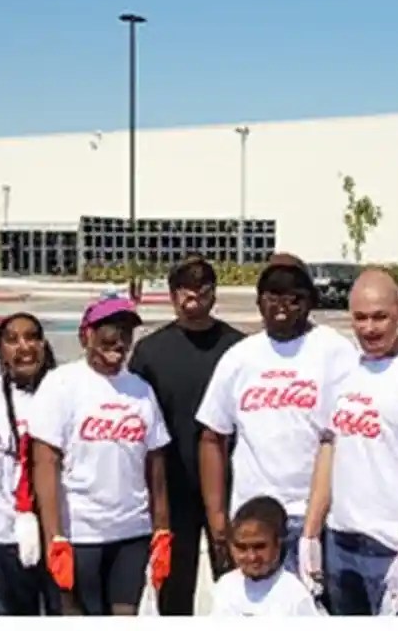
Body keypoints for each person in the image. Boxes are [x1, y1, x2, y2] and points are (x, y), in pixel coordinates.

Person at [301, 268, 398, 615]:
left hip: (396, 550)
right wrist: (311, 533)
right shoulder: (343, 372)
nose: (369, 328)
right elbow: (330, 447)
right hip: (341, 544)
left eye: (379, 317)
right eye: (360, 318)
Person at [196, 253, 356, 578]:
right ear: (259, 302)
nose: (282, 305)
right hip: (253, 521)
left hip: (318, 518)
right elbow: (212, 437)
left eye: (293, 297)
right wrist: (217, 521)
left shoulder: (336, 352)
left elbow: (347, 436)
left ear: (310, 301)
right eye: (272, 295)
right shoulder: (240, 357)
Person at [30, 296, 172, 616]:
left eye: (126, 330)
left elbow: (156, 465)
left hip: (132, 532)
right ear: (86, 335)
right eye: (109, 328)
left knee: (126, 615)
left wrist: (162, 530)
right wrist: (55, 537)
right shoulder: (62, 384)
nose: (119, 338)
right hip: (81, 533)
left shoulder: (140, 389)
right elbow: (45, 463)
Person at [128, 256, 245, 613]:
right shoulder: (149, 353)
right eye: (184, 291)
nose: (193, 300)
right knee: (175, 587)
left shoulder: (238, 349)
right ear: (171, 295)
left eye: (202, 291)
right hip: (172, 487)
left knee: (236, 581)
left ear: (214, 294)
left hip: (230, 485)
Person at [0, 312, 63, 615]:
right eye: (12, 340)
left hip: (62, 527)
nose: (24, 346)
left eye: (33, 337)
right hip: (4, 530)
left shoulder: (64, 389)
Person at [208, 495, 322, 616]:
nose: (251, 557)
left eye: (259, 547)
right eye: (241, 547)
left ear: (278, 544)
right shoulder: (225, 587)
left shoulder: (295, 594)